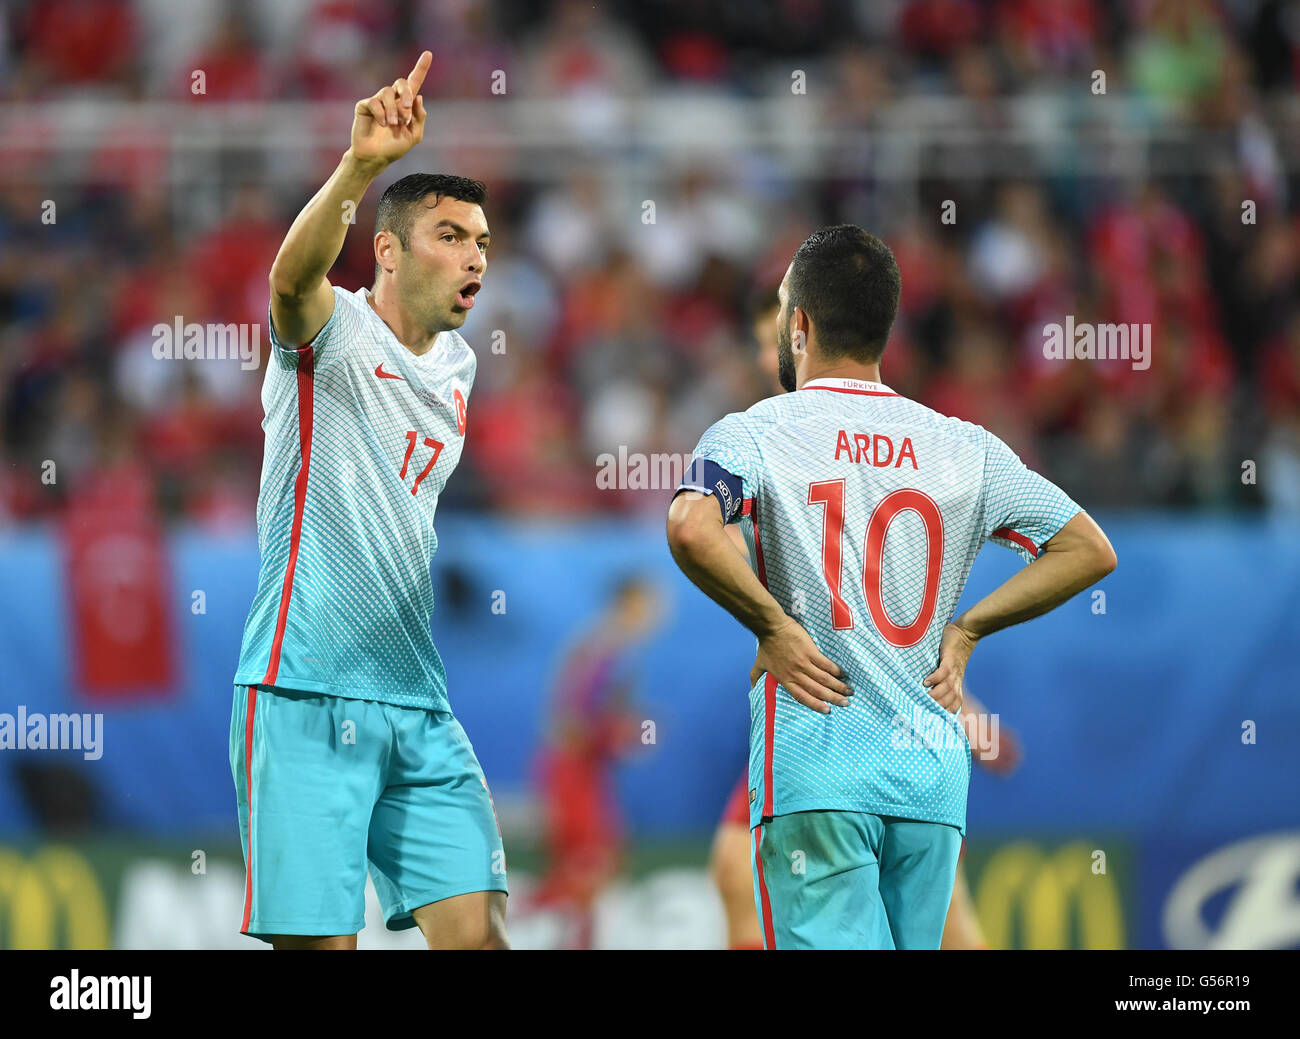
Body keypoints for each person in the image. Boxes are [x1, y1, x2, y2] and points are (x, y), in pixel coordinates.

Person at [667, 224, 1116, 949]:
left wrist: (774, 626)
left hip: (818, 766)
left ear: (800, 324)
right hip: (929, 778)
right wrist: (968, 629)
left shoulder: (753, 432)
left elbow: (690, 526)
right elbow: (1088, 548)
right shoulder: (965, 444)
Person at [230, 51, 508, 950]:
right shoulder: (333, 332)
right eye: (452, 236)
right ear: (386, 248)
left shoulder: (461, 368)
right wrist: (360, 168)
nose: (476, 257)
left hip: (417, 700)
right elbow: (286, 281)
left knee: (481, 936)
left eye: (483, 242)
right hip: (304, 686)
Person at [532, 576, 664, 949]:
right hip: (573, 769)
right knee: (590, 864)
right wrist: (625, 735)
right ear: (630, 603)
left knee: (599, 863)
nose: (657, 615)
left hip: (584, 770)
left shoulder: (608, 646)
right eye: (651, 604)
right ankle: (505, 924)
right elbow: (571, 723)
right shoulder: (606, 649)